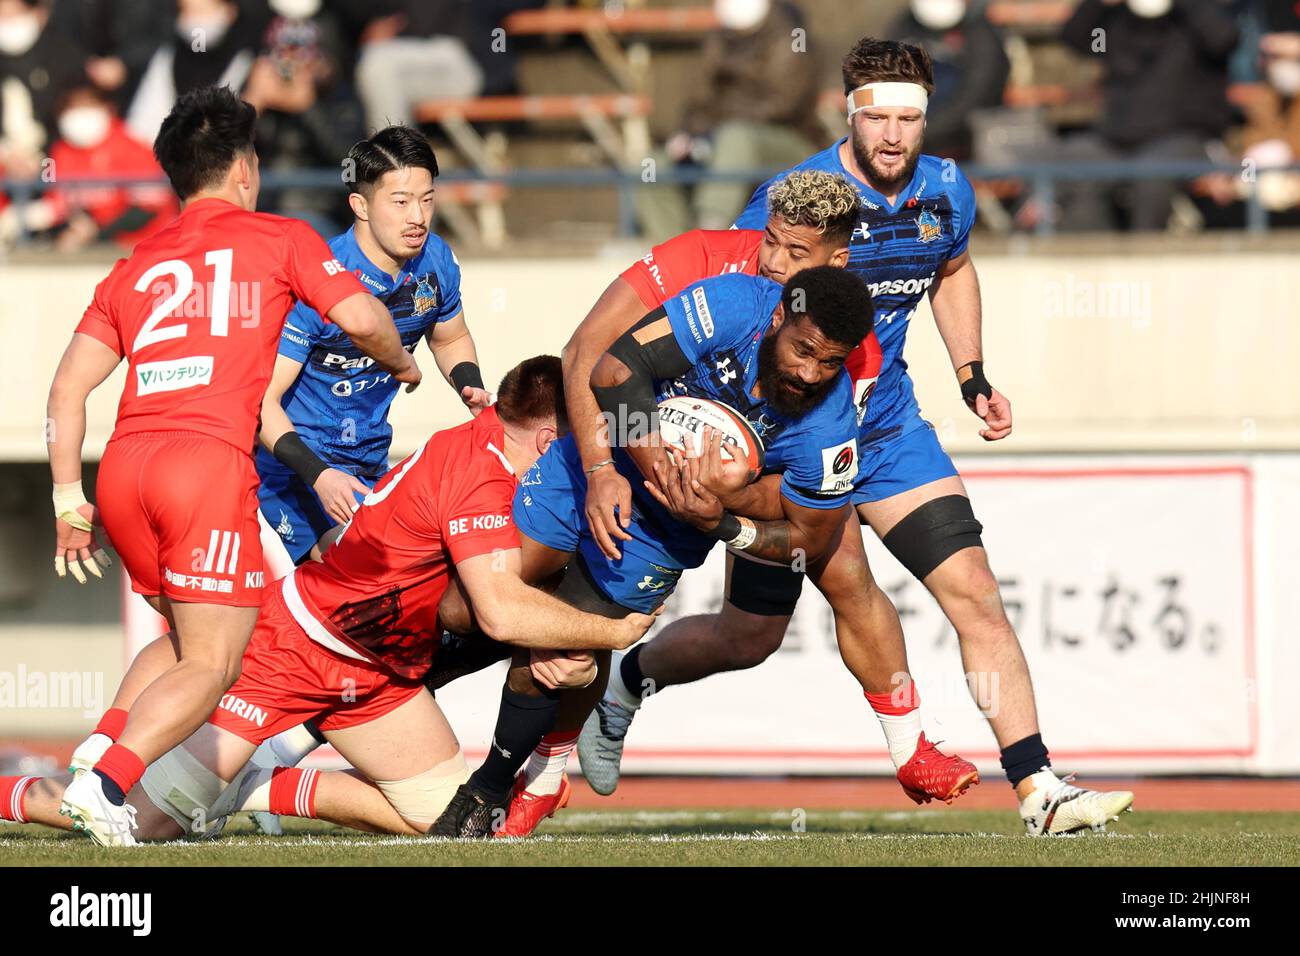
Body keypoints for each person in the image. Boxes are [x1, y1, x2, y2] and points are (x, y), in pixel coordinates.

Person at [582, 37, 1135, 837]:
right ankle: (629, 679)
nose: (892, 135)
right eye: (876, 117)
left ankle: (1038, 787)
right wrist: (688, 444)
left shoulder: (947, 189)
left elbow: (951, 269)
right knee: (749, 637)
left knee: (975, 593)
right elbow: (741, 312)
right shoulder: (799, 201)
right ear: (850, 113)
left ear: (926, 117)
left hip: (889, 429)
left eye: (909, 118)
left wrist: (972, 373)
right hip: (792, 436)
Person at [2, 358, 660, 842]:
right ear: (549, 438)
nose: (588, 453)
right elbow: (497, 610)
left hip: (377, 677)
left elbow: (493, 600)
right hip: (295, 651)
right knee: (131, 824)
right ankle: (12, 793)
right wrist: (615, 631)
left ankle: (261, 788)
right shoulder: (482, 475)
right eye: (579, 438)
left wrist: (561, 638)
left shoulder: (493, 446)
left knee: (452, 821)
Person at [45, 84, 419, 846]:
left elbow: (66, 390)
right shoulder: (281, 237)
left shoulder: (136, 263)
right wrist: (400, 361)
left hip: (124, 468)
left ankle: (100, 744)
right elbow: (360, 317)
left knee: (188, 641)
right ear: (246, 169)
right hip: (202, 467)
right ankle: (106, 785)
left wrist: (64, 500)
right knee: (217, 661)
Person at [430, 265, 874, 837]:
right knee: (465, 607)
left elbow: (809, 537)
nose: (810, 373)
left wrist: (722, 523)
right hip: (596, 466)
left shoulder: (831, 424)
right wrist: (618, 470)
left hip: (667, 533)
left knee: (563, 654)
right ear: (779, 317)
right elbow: (616, 369)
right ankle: (399, 691)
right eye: (804, 351)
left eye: (831, 362)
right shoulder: (732, 305)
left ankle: (489, 789)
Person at [257, 125, 489, 572]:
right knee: (359, 575)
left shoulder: (435, 261)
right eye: (400, 202)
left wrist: (471, 389)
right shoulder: (318, 280)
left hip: (367, 465)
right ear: (360, 205)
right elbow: (262, 402)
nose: (417, 217)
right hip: (294, 474)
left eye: (427, 199)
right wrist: (318, 474)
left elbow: (450, 336)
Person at [635, 0, 822, 241]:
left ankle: (713, 233)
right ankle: (674, 249)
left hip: (790, 142)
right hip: (720, 138)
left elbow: (782, 104)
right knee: (653, 165)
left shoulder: (792, 36)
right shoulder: (718, 40)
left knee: (735, 138)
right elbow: (699, 99)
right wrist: (688, 134)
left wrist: (713, 130)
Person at [1057, 0, 1239, 231]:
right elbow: (1076, 39)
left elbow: (1223, 39)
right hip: (1116, 141)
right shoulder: (1113, 24)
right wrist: (1098, 4)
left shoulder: (1197, 22)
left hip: (1184, 139)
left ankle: (1143, 257)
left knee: (1151, 175)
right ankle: (1094, 258)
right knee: (1071, 164)